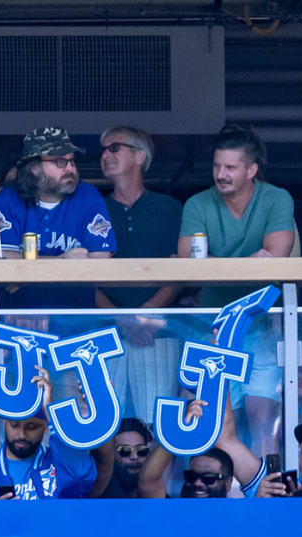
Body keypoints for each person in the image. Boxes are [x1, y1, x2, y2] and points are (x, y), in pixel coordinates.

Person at [180, 125, 298, 460]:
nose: (221, 174)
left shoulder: (276, 197)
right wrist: (248, 262)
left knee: (264, 420)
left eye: (230, 167)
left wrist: (215, 264)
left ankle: (267, 492)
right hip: (213, 327)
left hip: (261, 324)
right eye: (217, 166)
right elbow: (188, 260)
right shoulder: (197, 203)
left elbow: (275, 256)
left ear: (251, 170)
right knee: (215, 417)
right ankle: (221, 492)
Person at [96, 125, 183, 422]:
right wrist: (120, 318)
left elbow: (181, 271)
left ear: (140, 156)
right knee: (101, 424)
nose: (105, 155)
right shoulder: (93, 209)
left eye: (114, 147)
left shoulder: (170, 208)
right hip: (105, 331)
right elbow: (80, 274)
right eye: (104, 150)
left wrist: (146, 313)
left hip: (155, 332)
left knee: (159, 425)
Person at [0, 126, 117, 314]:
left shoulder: (89, 196)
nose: (70, 168)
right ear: (35, 168)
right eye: (60, 161)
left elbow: (99, 261)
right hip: (19, 318)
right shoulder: (8, 199)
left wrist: (28, 269)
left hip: (76, 319)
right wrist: (61, 261)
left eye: (72, 161)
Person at [0, 369, 96, 499]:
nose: (21, 435)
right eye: (15, 425)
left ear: (45, 427)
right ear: (4, 421)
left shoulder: (58, 463)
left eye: (32, 427)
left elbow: (80, 477)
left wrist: (50, 412)